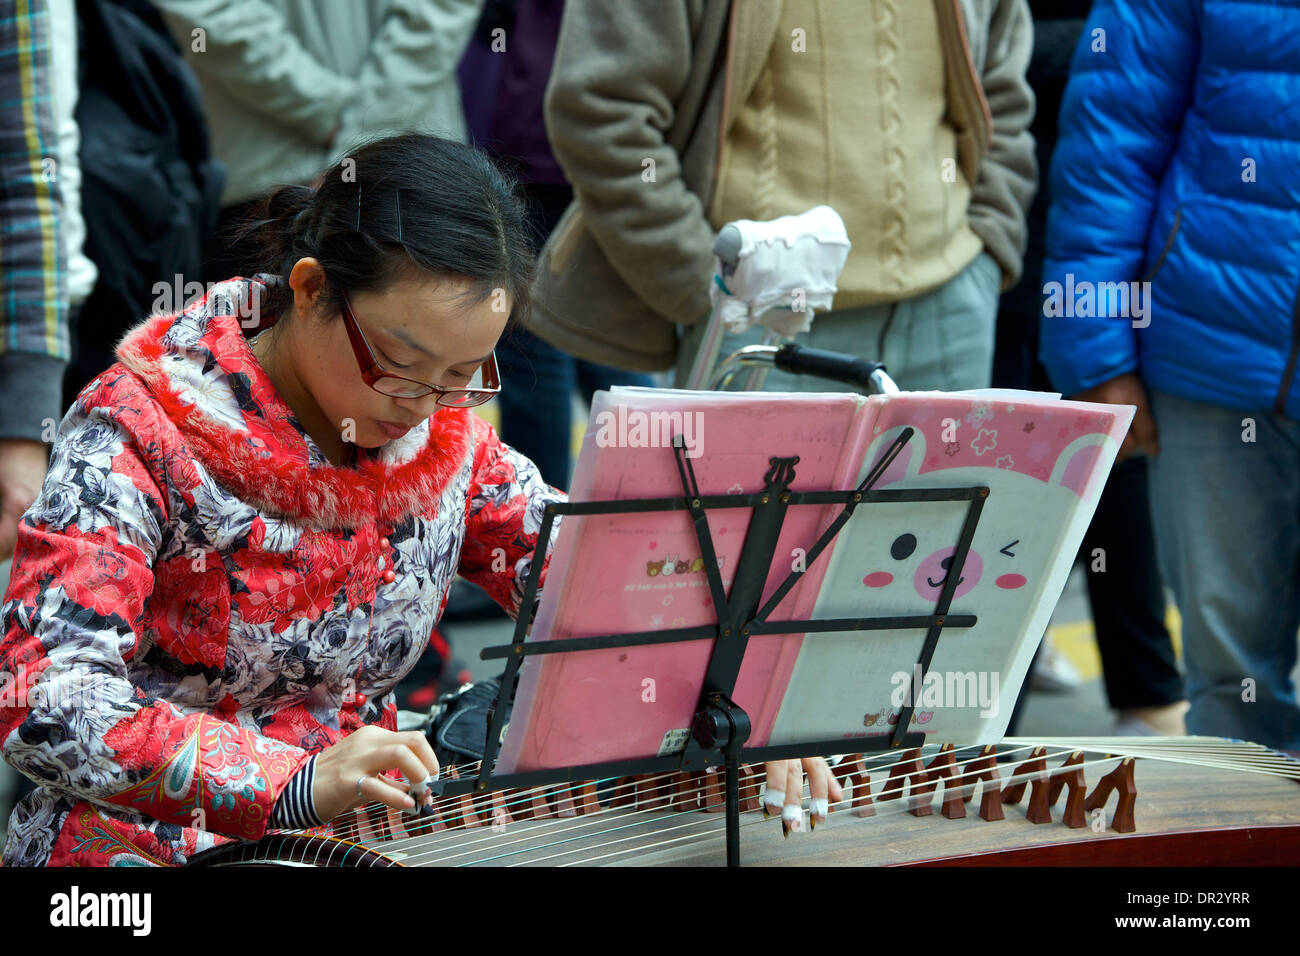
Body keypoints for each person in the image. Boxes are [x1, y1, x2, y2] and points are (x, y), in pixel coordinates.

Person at [0, 133, 838, 866]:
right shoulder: (141, 428)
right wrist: (293, 780)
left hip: (365, 842)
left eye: (461, 376)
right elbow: (42, 692)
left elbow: (600, 579)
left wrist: (740, 701)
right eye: (401, 365)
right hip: (137, 846)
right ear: (310, 289)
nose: (425, 404)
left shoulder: (440, 433)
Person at [528, 0, 1036, 396]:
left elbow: (1003, 92)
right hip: (755, 322)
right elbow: (602, 112)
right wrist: (703, 288)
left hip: (949, 311)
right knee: (728, 534)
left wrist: (986, 253)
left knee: (946, 533)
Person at [1039, 0, 1300, 751]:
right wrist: (1096, 354)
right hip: (1208, 361)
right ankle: (1240, 851)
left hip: (1206, 355)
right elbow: (1110, 145)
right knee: (1229, 676)